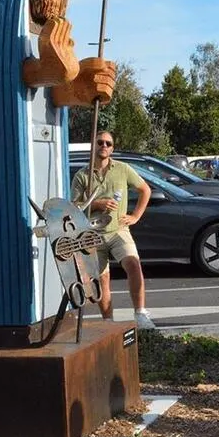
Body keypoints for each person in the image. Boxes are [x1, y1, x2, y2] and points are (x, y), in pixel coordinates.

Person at [71, 131, 152, 321]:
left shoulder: (123, 169)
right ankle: (108, 321)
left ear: (112, 148)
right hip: (92, 235)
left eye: (108, 143)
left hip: (118, 231)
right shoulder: (83, 175)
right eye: (100, 142)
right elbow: (73, 206)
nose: (104, 146)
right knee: (102, 280)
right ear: (94, 146)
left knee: (133, 264)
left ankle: (140, 314)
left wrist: (136, 216)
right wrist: (97, 204)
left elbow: (145, 190)